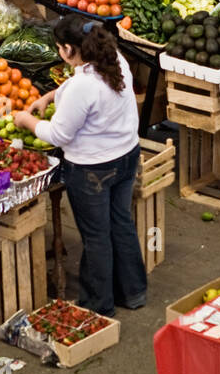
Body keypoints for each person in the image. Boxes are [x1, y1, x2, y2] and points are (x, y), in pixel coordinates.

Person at [13, 16, 146, 317]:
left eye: (60, 48)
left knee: (97, 235)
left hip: (92, 170)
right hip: (126, 156)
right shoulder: (115, 60)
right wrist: (50, 96)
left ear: (69, 50)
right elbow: (83, 84)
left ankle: (98, 304)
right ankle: (133, 292)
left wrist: (28, 121)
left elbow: (58, 135)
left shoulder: (82, 87)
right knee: (121, 224)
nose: (60, 53)